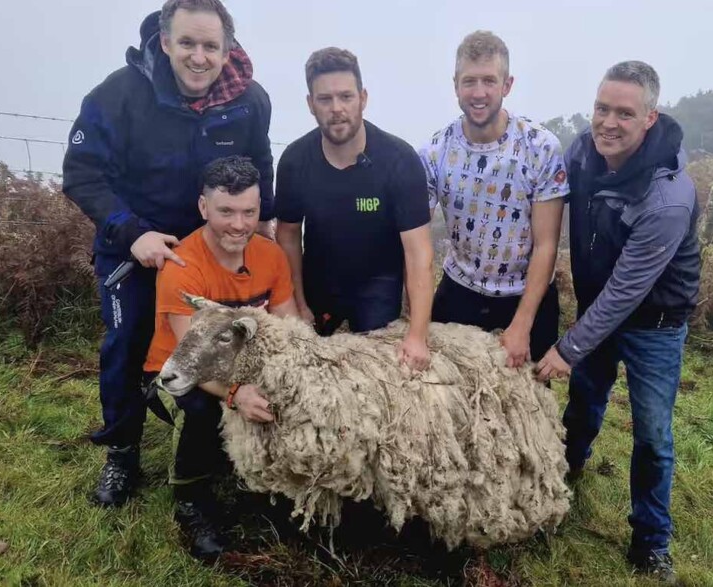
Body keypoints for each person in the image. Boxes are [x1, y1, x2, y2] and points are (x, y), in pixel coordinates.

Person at [62, 0, 276, 508]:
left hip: (215, 249)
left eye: (210, 46)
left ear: (228, 49)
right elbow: (81, 174)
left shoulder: (250, 100)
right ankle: (121, 453)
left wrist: (259, 232)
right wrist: (133, 233)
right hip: (136, 246)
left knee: (230, 344)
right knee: (129, 343)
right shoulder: (117, 95)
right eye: (187, 43)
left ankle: (218, 441)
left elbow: (261, 165)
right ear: (164, 41)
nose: (199, 57)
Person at [535, 61, 701, 584]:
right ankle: (566, 474)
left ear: (649, 118)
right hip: (595, 308)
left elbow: (628, 290)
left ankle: (651, 542)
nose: (608, 122)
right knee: (584, 402)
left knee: (653, 434)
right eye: (602, 108)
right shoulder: (581, 154)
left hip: (654, 322)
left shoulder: (668, 195)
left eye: (624, 113)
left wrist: (567, 347)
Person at [143, 155, 297, 561]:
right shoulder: (182, 267)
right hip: (178, 370)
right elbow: (192, 360)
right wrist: (234, 394)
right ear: (203, 207)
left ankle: (265, 482)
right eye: (226, 211)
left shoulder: (271, 256)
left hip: (243, 362)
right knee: (200, 409)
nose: (239, 224)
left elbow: (290, 328)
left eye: (249, 211)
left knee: (288, 394)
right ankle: (191, 497)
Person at [275, 47, 434, 370]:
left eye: (346, 97)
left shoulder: (399, 161)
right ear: (310, 104)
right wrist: (299, 304)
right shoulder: (294, 161)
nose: (337, 109)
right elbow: (288, 236)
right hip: (319, 283)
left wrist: (417, 334)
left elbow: (419, 254)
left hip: (378, 285)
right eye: (325, 99)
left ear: (363, 98)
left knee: (373, 378)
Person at [419, 30, 567, 368]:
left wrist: (522, 325)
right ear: (456, 84)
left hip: (525, 293)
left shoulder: (541, 147)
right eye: (469, 81)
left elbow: (546, 245)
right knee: (447, 397)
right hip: (461, 290)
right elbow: (418, 241)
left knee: (526, 404)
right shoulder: (433, 153)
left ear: (507, 84)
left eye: (489, 80)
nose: (479, 93)